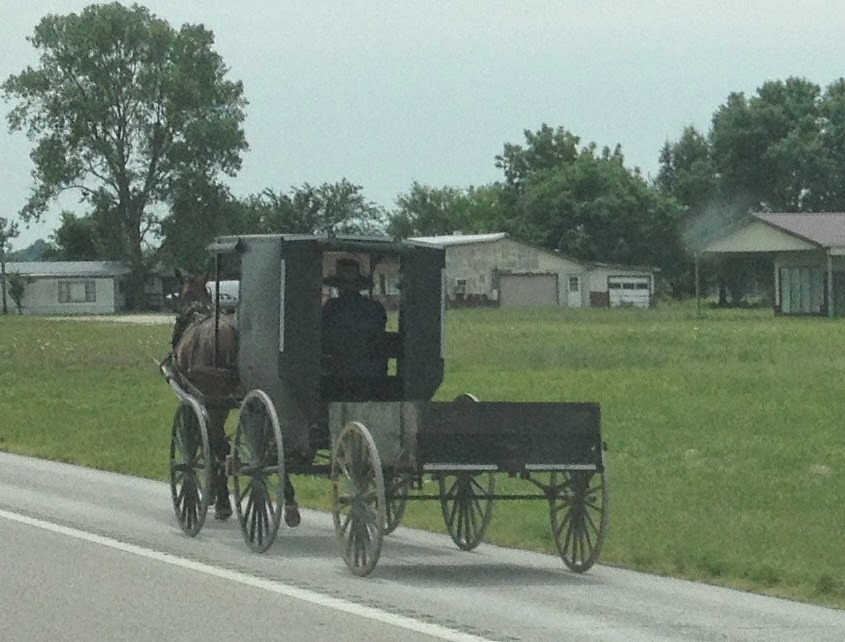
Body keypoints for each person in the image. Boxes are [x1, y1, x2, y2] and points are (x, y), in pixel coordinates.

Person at [322, 257, 388, 397]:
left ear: (338, 286)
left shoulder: (331, 308)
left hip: (338, 372)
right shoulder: (376, 308)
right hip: (375, 371)